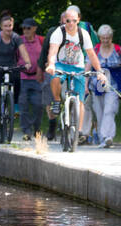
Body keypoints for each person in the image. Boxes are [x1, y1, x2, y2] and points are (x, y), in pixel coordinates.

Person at [45, 7, 108, 137]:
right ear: (64, 20)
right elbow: (52, 51)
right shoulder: (58, 32)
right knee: (55, 78)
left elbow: (91, 54)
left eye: (74, 20)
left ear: (78, 20)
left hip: (78, 67)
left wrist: (100, 71)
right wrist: (51, 64)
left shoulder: (83, 34)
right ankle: (57, 101)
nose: (71, 23)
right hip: (61, 65)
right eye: (68, 21)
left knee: (80, 100)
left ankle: (78, 131)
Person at [0, 11, 34, 134]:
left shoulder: (15, 37)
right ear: (1, 27)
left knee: (17, 80)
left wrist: (27, 62)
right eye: (5, 26)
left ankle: (15, 104)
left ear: (12, 25)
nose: (8, 28)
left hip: (11, 66)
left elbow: (23, 51)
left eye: (10, 26)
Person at [91, 26, 121, 147]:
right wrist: (86, 85)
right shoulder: (95, 50)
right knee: (99, 111)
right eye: (103, 38)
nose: (105, 40)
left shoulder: (118, 50)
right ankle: (102, 138)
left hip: (113, 85)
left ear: (111, 37)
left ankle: (108, 136)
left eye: (108, 38)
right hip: (96, 84)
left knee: (109, 110)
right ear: (100, 38)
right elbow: (87, 66)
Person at [18, 18, 47, 139]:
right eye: (24, 28)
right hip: (23, 77)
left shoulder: (41, 40)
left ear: (34, 28)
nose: (25, 30)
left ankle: (36, 128)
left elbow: (47, 55)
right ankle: (26, 131)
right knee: (23, 105)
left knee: (38, 105)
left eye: (28, 28)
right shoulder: (18, 41)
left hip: (38, 77)